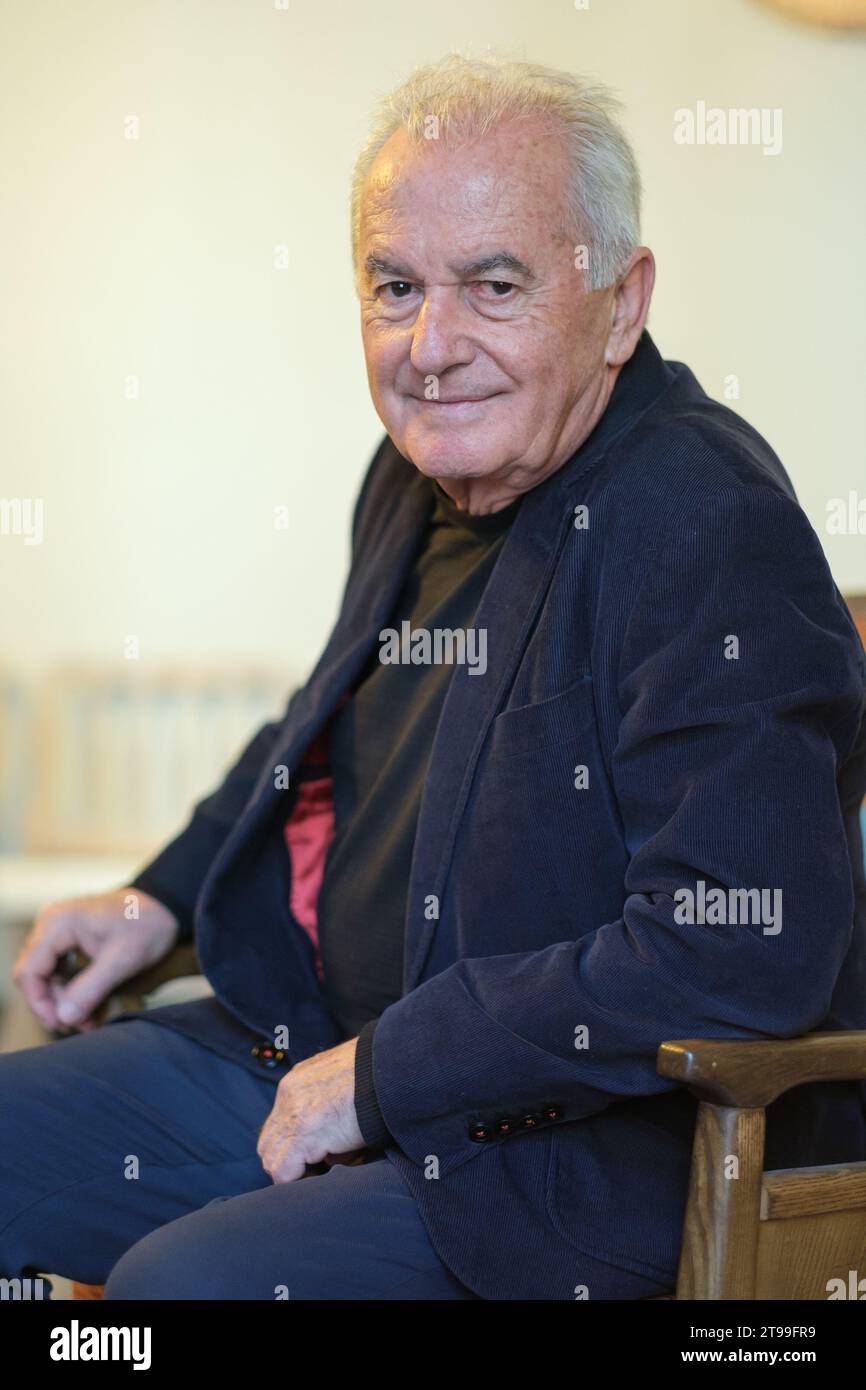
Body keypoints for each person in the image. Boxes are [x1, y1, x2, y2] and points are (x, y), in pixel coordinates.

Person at [3, 53, 865, 1302]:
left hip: (563, 1144)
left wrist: (385, 1073)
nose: (430, 346)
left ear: (619, 304)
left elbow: (743, 942)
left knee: (179, 1291)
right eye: (393, 286)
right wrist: (159, 897)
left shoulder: (700, 522)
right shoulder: (414, 473)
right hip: (315, 1041)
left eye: (493, 285)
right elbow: (322, 729)